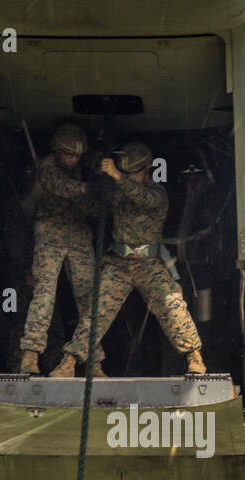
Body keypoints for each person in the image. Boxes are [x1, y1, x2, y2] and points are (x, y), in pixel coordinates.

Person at [53, 141, 206, 378]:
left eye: (133, 172)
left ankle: (194, 357)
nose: (128, 176)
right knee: (95, 313)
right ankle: (69, 361)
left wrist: (116, 177)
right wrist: (95, 187)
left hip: (148, 265)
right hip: (119, 265)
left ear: (147, 170)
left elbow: (143, 198)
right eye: (126, 172)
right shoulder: (118, 192)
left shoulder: (157, 193)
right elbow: (95, 207)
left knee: (173, 308)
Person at [19, 124, 97, 375]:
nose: (73, 160)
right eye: (68, 154)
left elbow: (91, 205)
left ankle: (94, 361)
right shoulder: (47, 167)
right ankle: (30, 356)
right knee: (44, 294)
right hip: (50, 232)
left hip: (78, 233)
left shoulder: (81, 168)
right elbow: (60, 186)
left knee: (90, 298)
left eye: (77, 156)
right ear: (57, 151)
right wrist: (87, 188)